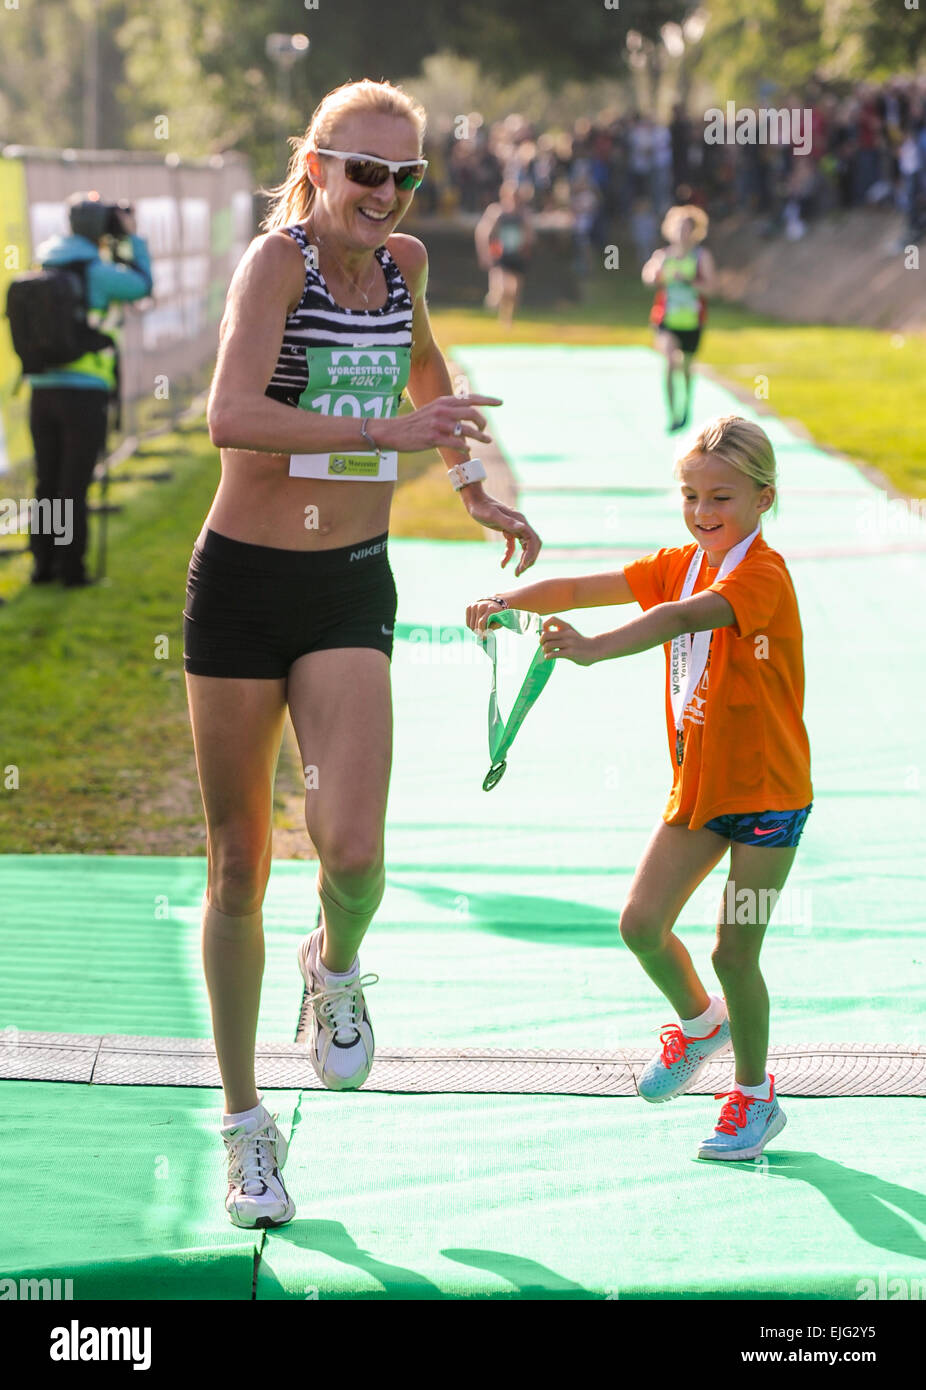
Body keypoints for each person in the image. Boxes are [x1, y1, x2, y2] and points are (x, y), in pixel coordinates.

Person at [185, 78, 542, 1229]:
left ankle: (331, 964)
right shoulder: (274, 264)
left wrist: (470, 480)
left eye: (406, 176)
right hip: (243, 585)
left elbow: (427, 370)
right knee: (239, 861)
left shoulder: (405, 269)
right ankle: (245, 1129)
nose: (385, 194)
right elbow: (229, 413)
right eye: (365, 171)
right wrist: (375, 430)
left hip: (348, 584)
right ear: (318, 164)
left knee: (352, 849)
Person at [466, 416, 812, 1162]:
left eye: (721, 496)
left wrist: (592, 651)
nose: (703, 511)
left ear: (764, 498)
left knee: (732, 954)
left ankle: (754, 1097)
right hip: (701, 793)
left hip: (768, 800)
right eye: (690, 495)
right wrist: (510, 601)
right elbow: (592, 585)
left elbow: (681, 619)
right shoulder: (682, 560)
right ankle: (699, 1027)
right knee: (640, 924)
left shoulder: (760, 574)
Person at [25, 193, 152, 586]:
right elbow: (142, 285)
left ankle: (42, 566)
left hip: (41, 389)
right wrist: (132, 240)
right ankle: (71, 570)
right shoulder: (97, 271)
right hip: (84, 391)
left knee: (47, 481)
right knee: (73, 484)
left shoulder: (46, 262)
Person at [642, 204, 715, 434]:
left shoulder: (701, 257)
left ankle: (685, 408)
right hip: (667, 319)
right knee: (670, 361)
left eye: (687, 229)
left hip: (692, 321)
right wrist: (656, 275)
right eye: (679, 228)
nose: (682, 233)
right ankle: (673, 414)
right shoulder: (663, 256)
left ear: (694, 232)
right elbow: (648, 276)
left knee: (685, 367)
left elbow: (712, 288)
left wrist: (689, 281)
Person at [475, 180, 534, 328]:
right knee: (502, 288)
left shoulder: (523, 214)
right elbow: (483, 233)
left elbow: (529, 234)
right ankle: (494, 298)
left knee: (514, 291)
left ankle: (507, 320)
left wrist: (527, 247)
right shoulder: (496, 212)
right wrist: (484, 254)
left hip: (516, 255)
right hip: (500, 254)